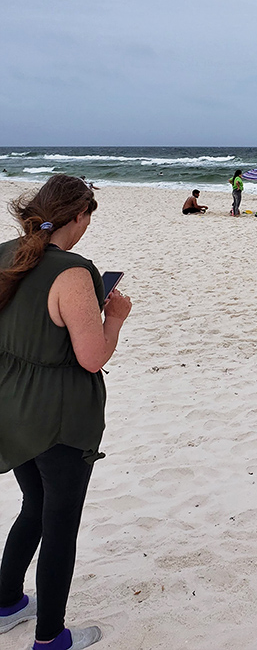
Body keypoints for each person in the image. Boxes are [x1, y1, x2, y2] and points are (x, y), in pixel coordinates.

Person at [0, 174, 132, 649]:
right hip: (58, 417)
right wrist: (113, 318)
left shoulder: (6, 253)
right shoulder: (74, 271)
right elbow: (92, 356)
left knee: (34, 506)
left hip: (10, 406)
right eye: (88, 218)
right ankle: (51, 637)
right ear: (79, 216)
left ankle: (7, 602)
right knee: (60, 525)